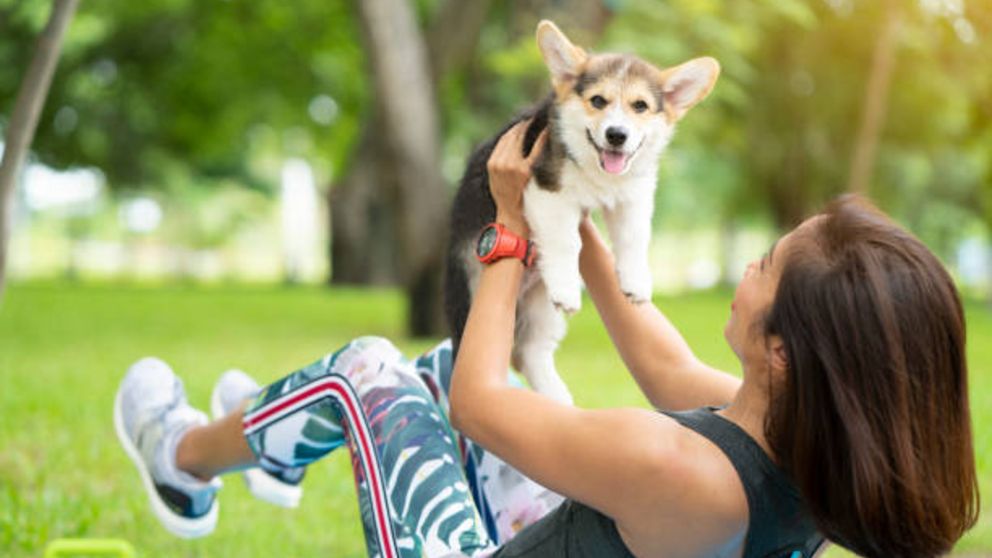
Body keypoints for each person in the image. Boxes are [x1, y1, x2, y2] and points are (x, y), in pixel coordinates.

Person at [114, 120, 979, 557]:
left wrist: (507, 233)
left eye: (765, 265)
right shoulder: (808, 445)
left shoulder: (677, 470)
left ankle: (182, 461)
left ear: (784, 349)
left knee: (371, 372)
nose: (746, 271)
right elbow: (663, 362)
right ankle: (274, 438)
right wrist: (568, 212)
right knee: (447, 358)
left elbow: (480, 407)